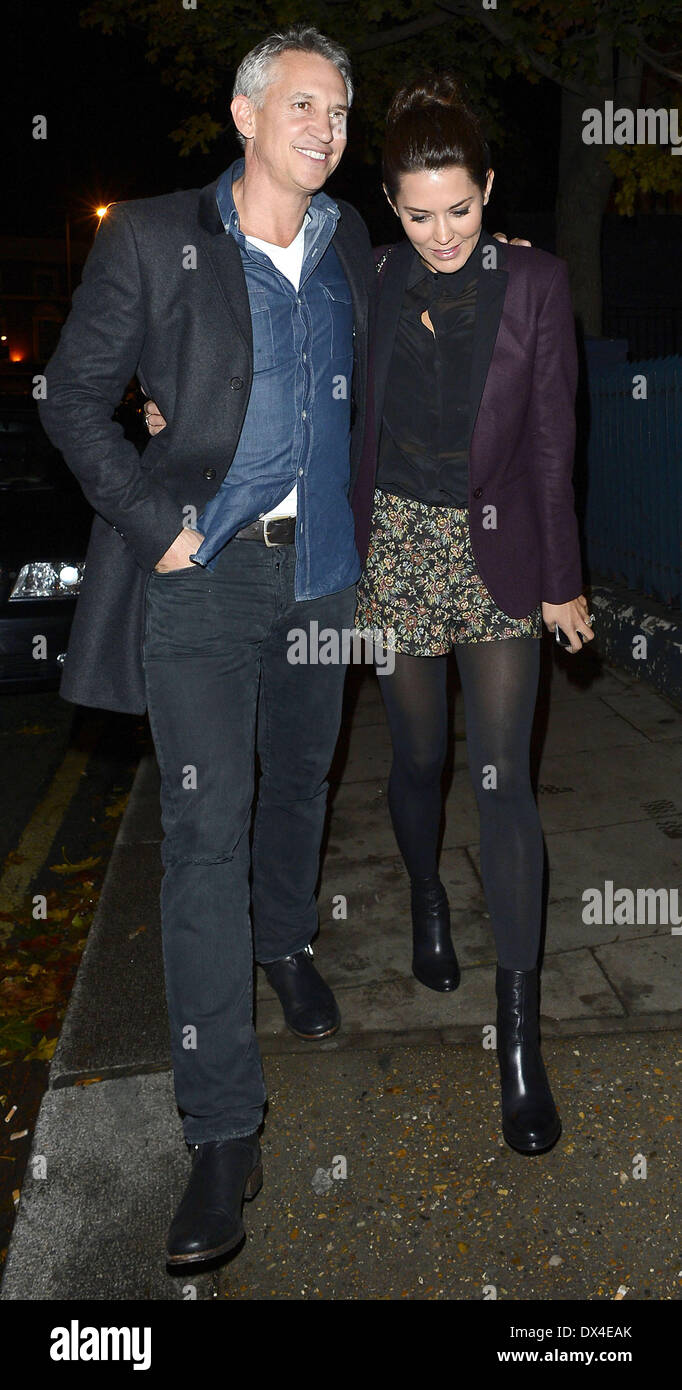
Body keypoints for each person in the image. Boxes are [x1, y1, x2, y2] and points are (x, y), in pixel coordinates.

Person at [38, 25, 377, 1267]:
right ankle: (221, 1127)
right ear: (244, 117)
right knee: (201, 836)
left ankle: (286, 938)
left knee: (300, 784)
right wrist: (152, 520)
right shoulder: (151, 235)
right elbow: (70, 399)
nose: (326, 127)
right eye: (304, 104)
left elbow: (399, 384)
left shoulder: (352, 256)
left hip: (324, 577)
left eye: (339, 110)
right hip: (204, 580)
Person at [354, 76, 595, 1155]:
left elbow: (553, 435)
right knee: (417, 762)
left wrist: (563, 574)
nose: (442, 233)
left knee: (502, 781)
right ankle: (421, 893)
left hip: (498, 553)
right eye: (418, 213)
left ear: (488, 190)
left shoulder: (536, 285)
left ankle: (517, 1042)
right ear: (390, 207)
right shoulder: (361, 281)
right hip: (396, 546)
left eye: (459, 208)